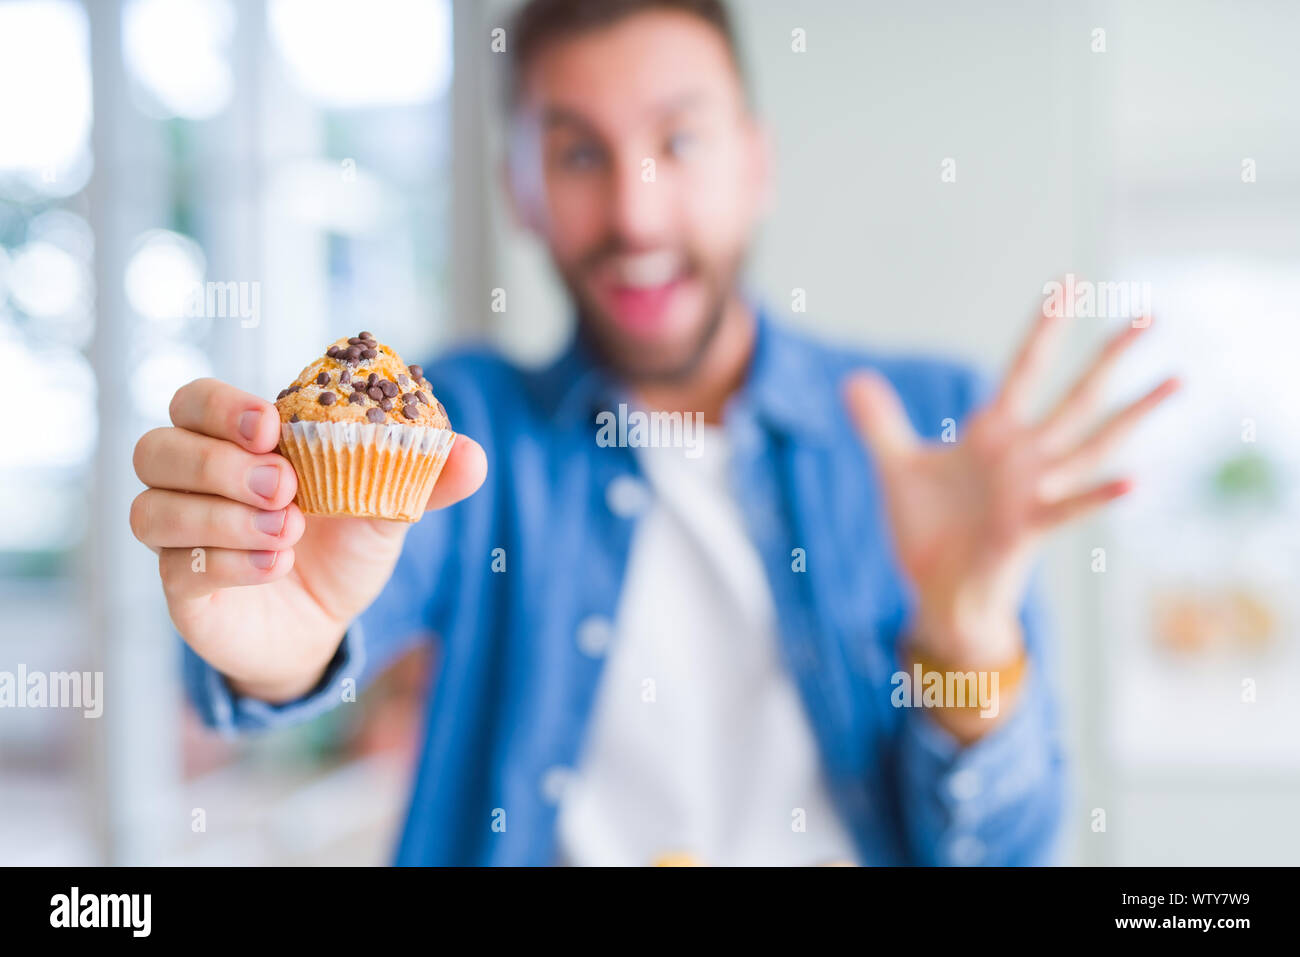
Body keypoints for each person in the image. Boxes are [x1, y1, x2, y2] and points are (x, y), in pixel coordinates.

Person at [129, 0, 1177, 866]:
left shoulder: (931, 425)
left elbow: (1007, 851)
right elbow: (319, 613)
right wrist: (279, 637)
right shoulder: (468, 430)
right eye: (578, 152)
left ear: (755, 165)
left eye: (678, 141)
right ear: (521, 192)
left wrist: (962, 641)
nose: (635, 211)